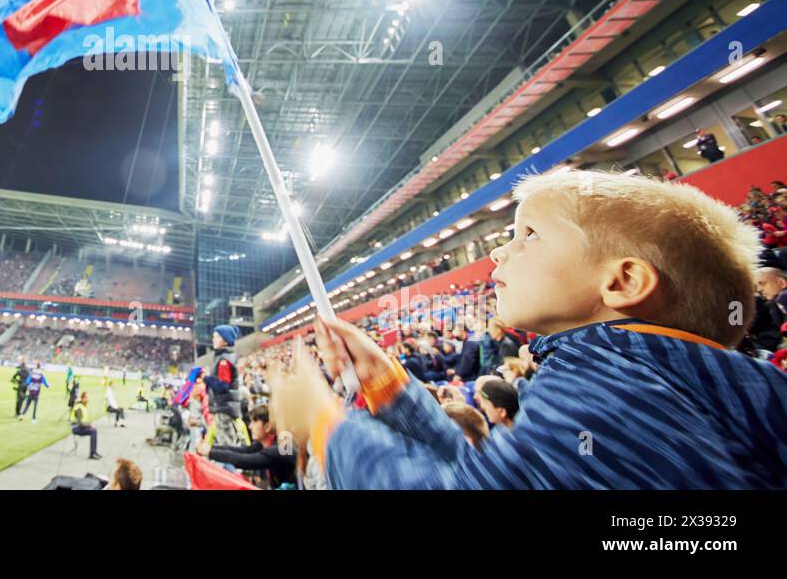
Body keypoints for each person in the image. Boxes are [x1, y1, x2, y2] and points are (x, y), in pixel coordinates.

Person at [267, 169, 787, 488]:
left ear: (623, 281)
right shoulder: (680, 381)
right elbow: (502, 476)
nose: (498, 250)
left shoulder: (610, 391)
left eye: (529, 234)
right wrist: (391, 390)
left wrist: (326, 425)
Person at [197, 404, 295, 489]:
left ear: (267, 426)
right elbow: (242, 450)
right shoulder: (266, 444)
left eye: (254, 422)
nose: (250, 426)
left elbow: (245, 460)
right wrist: (211, 448)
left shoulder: (281, 449)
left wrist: (211, 452)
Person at [203, 324, 249, 446]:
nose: (213, 339)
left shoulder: (224, 360)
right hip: (226, 406)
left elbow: (223, 385)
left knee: (226, 445)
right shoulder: (223, 357)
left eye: (217, 337)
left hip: (225, 408)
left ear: (225, 340)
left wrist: (207, 379)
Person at [70, 391, 102, 460]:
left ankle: (94, 452)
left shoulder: (83, 406)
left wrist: (89, 424)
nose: (88, 399)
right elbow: (80, 424)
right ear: (82, 398)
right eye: (86, 398)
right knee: (93, 431)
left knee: (94, 431)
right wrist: (89, 425)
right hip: (76, 428)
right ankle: (92, 454)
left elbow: (83, 422)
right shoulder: (78, 407)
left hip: (80, 427)